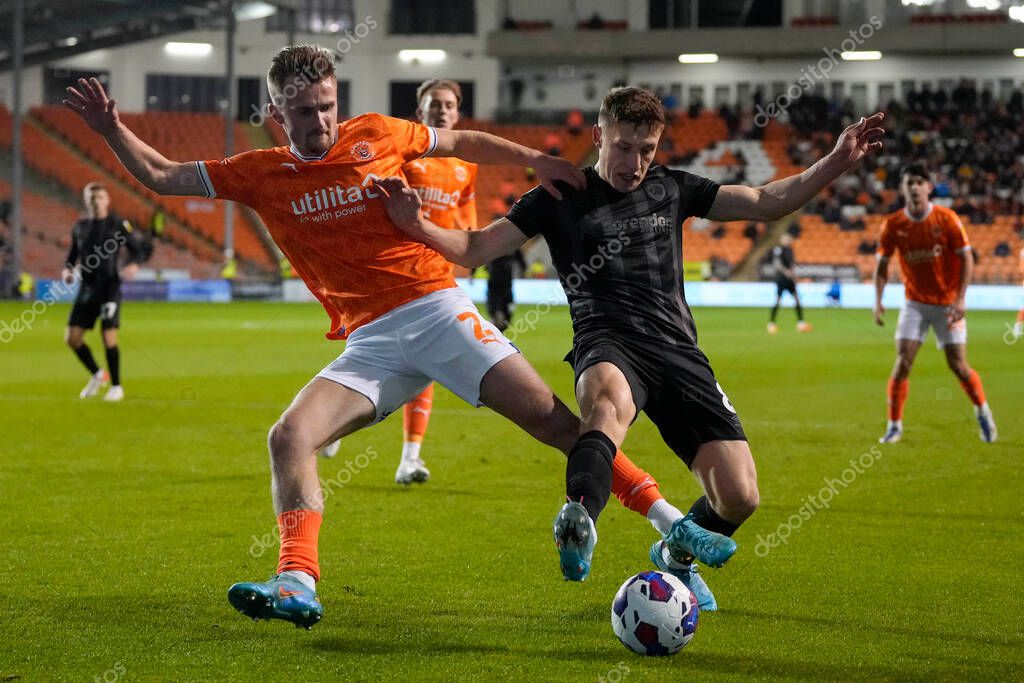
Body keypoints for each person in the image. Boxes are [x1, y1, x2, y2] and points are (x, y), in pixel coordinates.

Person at [64, 47, 701, 629]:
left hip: (434, 308)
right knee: (289, 437)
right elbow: (164, 174)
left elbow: (460, 140)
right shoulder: (258, 172)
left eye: (326, 106)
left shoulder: (375, 133)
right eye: (304, 111)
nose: (320, 121)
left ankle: (673, 527)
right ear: (277, 113)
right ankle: (297, 580)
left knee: (558, 426)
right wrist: (110, 130)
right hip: (370, 341)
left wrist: (535, 159)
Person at [375, 87, 885, 610]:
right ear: (598, 137)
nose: (635, 162)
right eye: (623, 147)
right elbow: (477, 247)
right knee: (604, 409)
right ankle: (580, 518)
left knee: (740, 496)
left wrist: (837, 160)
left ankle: (674, 555)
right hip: (607, 340)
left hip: (679, 351)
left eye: (647, 149)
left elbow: (767, 201)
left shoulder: (673, 188)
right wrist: (417, 225)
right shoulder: (556, 196)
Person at [318, 78, 479, 488]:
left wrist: (469, 254)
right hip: (396, 279)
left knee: (424, 369)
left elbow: (466, 215)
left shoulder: (466, 166)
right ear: (420, 113)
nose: (441, 111)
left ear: (457, 114)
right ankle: (338, 427)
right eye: (433, 105)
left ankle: (408, 458)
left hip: (437, 277)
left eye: (448, 105)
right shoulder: (403, 156)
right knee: (394, 363)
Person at [874, 163, 997, 444]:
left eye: (920, 182)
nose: (915, 187)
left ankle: (982, 410)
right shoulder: (893, 225)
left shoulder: (947, 219)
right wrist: (878, 301)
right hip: (914, 303)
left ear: (929, 187)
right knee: (903, 362)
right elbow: (881, 265)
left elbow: (967, 258)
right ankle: (894, 426)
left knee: (958, 365)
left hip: (947, 304)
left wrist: (960, 297)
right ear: (903, 189)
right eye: (909, 182)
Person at [61, 182, 144, 402]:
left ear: (107, 200)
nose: (95, 201)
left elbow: (138, 250)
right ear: (86, 202)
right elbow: (72, 257)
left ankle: (116, 387)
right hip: (87, 289)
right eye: (91, 198)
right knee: (72, 338)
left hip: (109, 288)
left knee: (108, 336)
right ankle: (98, 375)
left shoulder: (118, 224)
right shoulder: (80, 227)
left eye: (99, 197)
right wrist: (67, 271)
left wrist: (134, 264)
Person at [766, 233, 811, 333]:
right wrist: (786, 272)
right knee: (778, 300)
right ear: (782, 240)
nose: (788, 240)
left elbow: (791, 265)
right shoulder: (778, 250)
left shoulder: (790, 250)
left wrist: (794, 276)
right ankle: (771, 323)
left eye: (789, 239)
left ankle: (801, 323)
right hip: (781, 278)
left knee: (797, 299)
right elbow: (777, 264)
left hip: (790, 279)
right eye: (786, 239)